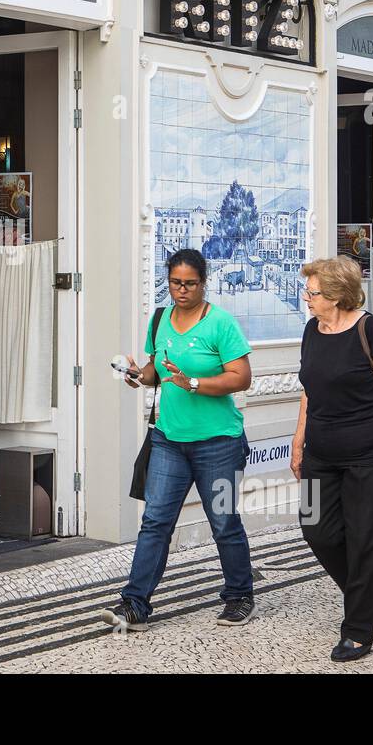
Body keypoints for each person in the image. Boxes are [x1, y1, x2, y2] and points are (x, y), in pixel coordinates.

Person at [100, 247, 255, 632]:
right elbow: (157, 370)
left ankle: (239, 596)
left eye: (189, 284)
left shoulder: (220, 324)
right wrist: (139, 374)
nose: (181, 290)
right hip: (169, 440)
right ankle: (134, 604)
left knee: (223, 521)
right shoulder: (159, 319)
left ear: (204, 283)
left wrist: (196, 383)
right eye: (174, 283)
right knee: (155, 521)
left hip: (219, 441)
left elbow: (242, 377)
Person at [292, 255, 373, 663]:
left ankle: (357, 630)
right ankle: (365, 588)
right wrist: (298, 442)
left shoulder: (371, 329)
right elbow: (309, 390)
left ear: (336, 295)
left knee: (367, 540)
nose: (306, 298)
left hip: (370, 455)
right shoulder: (312, 330)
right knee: (316, 528)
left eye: (313, 292)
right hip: (321, 453)